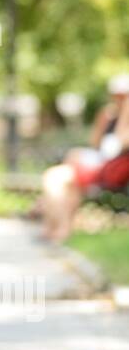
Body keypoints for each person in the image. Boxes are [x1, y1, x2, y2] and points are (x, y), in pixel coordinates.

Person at [39, 74, 129, 242]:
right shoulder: (109, 115)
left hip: (109, 172)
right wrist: (104, 119)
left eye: (123, 96)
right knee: (55, 178)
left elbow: (118, 145)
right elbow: (95, 144)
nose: (119, 100)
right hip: (100, 166)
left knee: (57, 178)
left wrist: (125, 114)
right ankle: (57, 229)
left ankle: (58, 229)